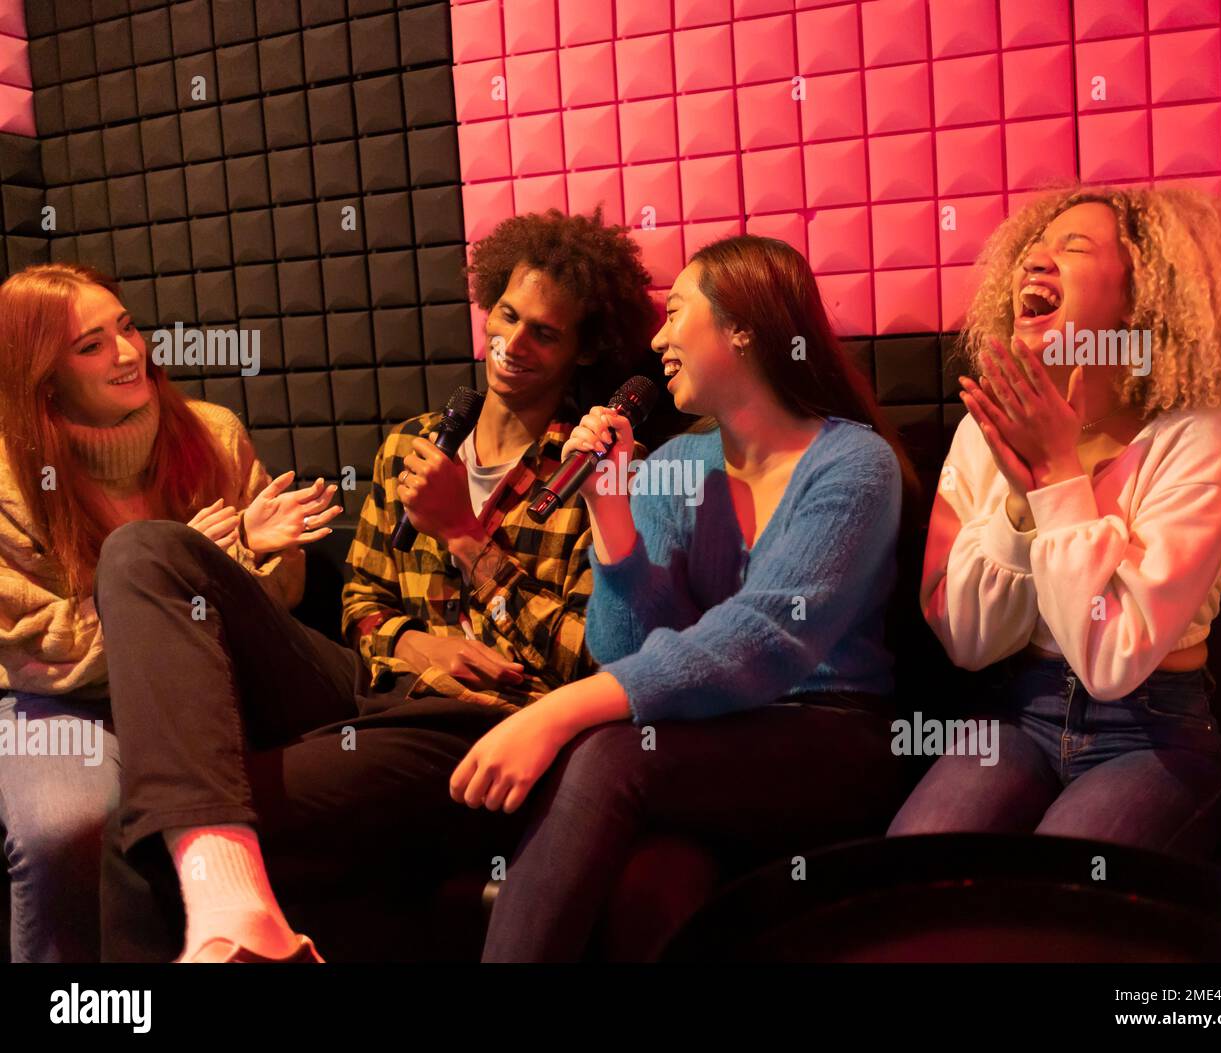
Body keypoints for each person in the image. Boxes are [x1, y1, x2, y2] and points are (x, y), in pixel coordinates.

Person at [95, 208, 659, 962]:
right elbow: (360, 602)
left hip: (487, 728)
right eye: (507, 315)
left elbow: (591, 661)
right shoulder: (414, 443)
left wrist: (465, 535)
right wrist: (417, 641)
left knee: (143, 825)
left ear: (582, 348)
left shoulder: (600, 469)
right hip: (376, 686)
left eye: (544, 333)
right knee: (145, 551)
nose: (512, 343)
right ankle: (232, 909)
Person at [454, 235, 916, 962]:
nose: (660, 338)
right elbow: (628, 650)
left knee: (609, 755)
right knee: (653, 886)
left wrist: (559, 710)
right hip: (712, 742)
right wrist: (611, 517)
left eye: (675, 315)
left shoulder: (854, 463)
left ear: (743, 326)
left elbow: (764, 638)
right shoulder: (676, 463)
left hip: (834, 737)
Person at [888, 186, 1221, 854]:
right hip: (1017, 713)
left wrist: (1056, 478)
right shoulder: (985, 431)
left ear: (1143, 296)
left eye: (1071, 247)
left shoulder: (1202, 439)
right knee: (910, 877)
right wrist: (1019, 503)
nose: (1034, 262)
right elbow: (966, 642)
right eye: (1031, 249)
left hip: (1153, 729)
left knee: (1056, 907)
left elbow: (1112, 659)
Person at [0, 263, 333, 962]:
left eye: (126, 327)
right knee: (68, 827)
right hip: (59, 697)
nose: (128, 353)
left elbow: (279, 600)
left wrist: (224, 562)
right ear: (43, 376)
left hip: (204, 688)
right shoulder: (7, 478)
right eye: (90, 345)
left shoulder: (212, 432)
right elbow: (36, 643)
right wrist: (166, 577)